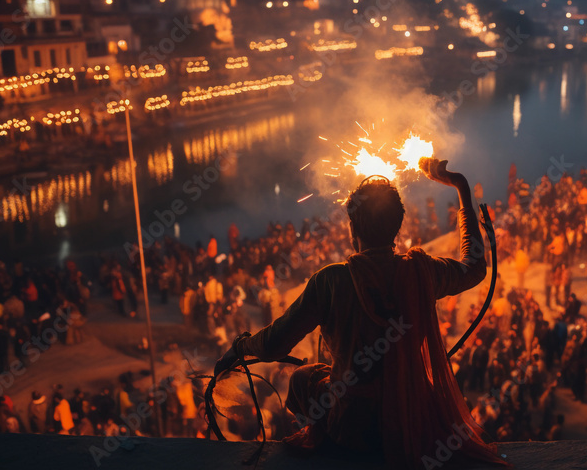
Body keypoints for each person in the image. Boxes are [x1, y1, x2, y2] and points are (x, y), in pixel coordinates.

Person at [216, 159, 506, 469]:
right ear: (397, 225)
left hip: (353, 428)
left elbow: (274, 344)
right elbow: (475, 268)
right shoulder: (423, 271)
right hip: (413, 417)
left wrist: (240, 346)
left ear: (352, 227)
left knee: (302, 378)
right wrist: (460, 185)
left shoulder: (330, 280)